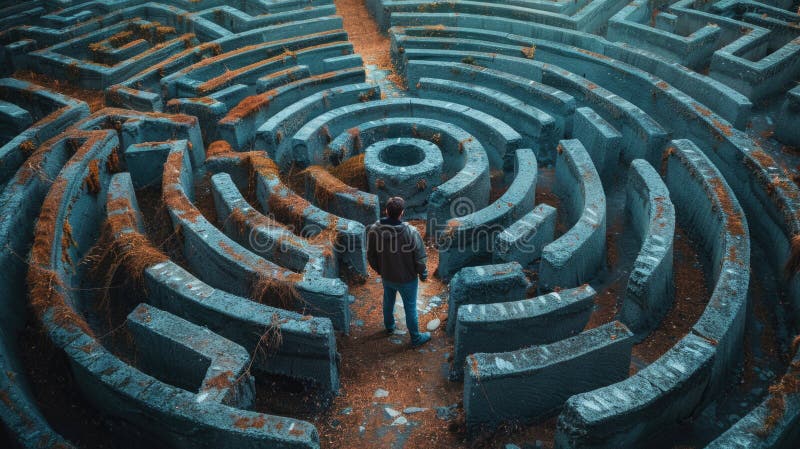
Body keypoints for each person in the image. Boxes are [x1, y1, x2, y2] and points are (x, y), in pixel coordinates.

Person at [366, 196, 432, 347]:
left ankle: (389, 327)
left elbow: (370, 255)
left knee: (388, 301)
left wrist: (380, 270)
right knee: (410, 308)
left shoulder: (374, 230)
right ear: (402, 212)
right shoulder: (411, 232)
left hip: (387, 276)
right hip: (407, 278)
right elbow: (420, 258)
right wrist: (422, 273)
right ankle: (415, 338)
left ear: (386, 211)